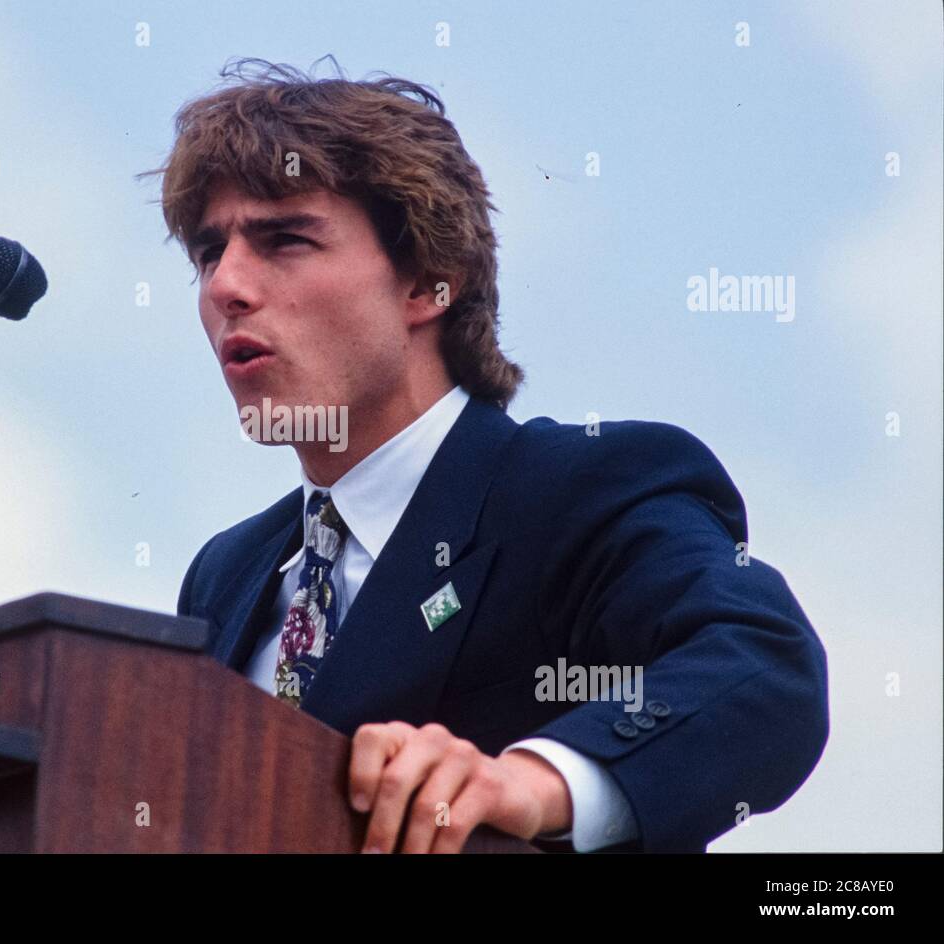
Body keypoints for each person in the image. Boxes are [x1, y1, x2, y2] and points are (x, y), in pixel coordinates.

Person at [147, 59, 828, 853]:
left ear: (429, 284)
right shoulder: (225, 575)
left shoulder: (580, 487)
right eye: (208, 253)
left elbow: (763, 665)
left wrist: (529, 782)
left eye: (285, 239)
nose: (224, 285)